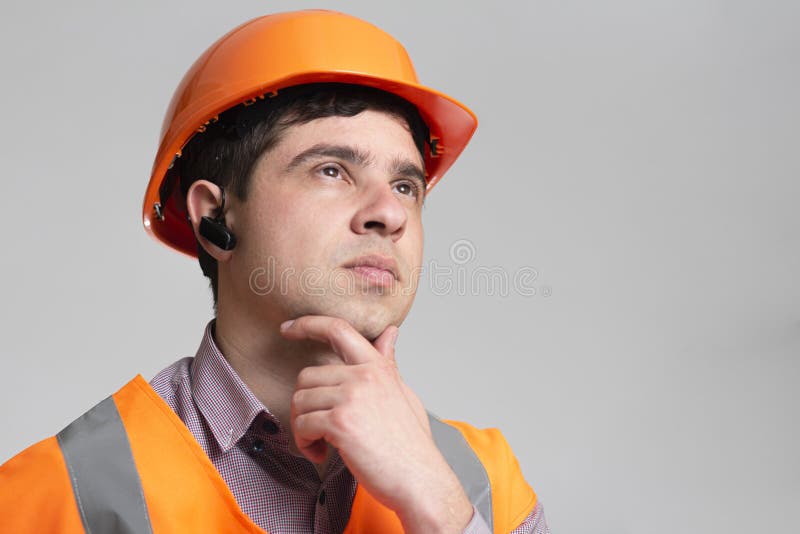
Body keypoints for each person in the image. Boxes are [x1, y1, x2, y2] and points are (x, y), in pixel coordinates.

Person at [0, 10, 549, 534]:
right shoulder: (53, 496)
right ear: (214, 217)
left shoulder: (482, 482)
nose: (390, 213)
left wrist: (437, 505)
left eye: (406, 186)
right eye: (331, 171)